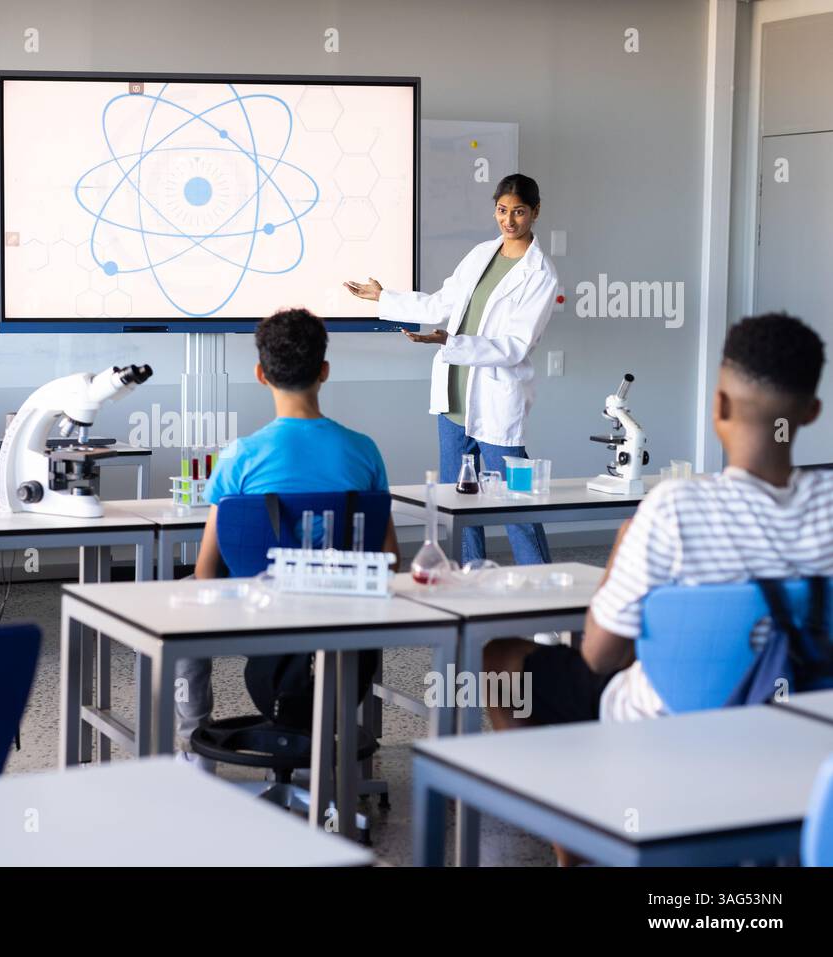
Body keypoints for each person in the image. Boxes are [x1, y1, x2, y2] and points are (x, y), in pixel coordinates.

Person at [484, 313, 833, 731]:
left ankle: (550, 789)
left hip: (667, 723)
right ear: (812, 412)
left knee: (501, 658)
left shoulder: (674, 509)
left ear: (718, 405)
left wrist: (621, 551)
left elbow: (599, 655)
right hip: (805, 723)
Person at [176, 307, 400, 756]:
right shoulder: (364, 451)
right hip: (343, 607)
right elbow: (390, 561)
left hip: (258, 611)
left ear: (261, 374)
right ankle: (351, 755)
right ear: (325, 371)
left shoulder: (239, 456)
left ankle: (191, 747)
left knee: (181, 603)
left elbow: (206, 571)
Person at [344, 173, 558, 565]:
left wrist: (449, 343)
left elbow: (514, 347)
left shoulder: (540, 274)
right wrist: (385, 297)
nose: (509, 221)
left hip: (496, 403)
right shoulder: (481, 254)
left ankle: (546, 607)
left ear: (535, 212)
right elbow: (441, 303)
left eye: (519, 212)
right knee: (458, 505)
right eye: (502, 210)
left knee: (518, 506)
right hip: (453, 402)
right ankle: (468, 581)